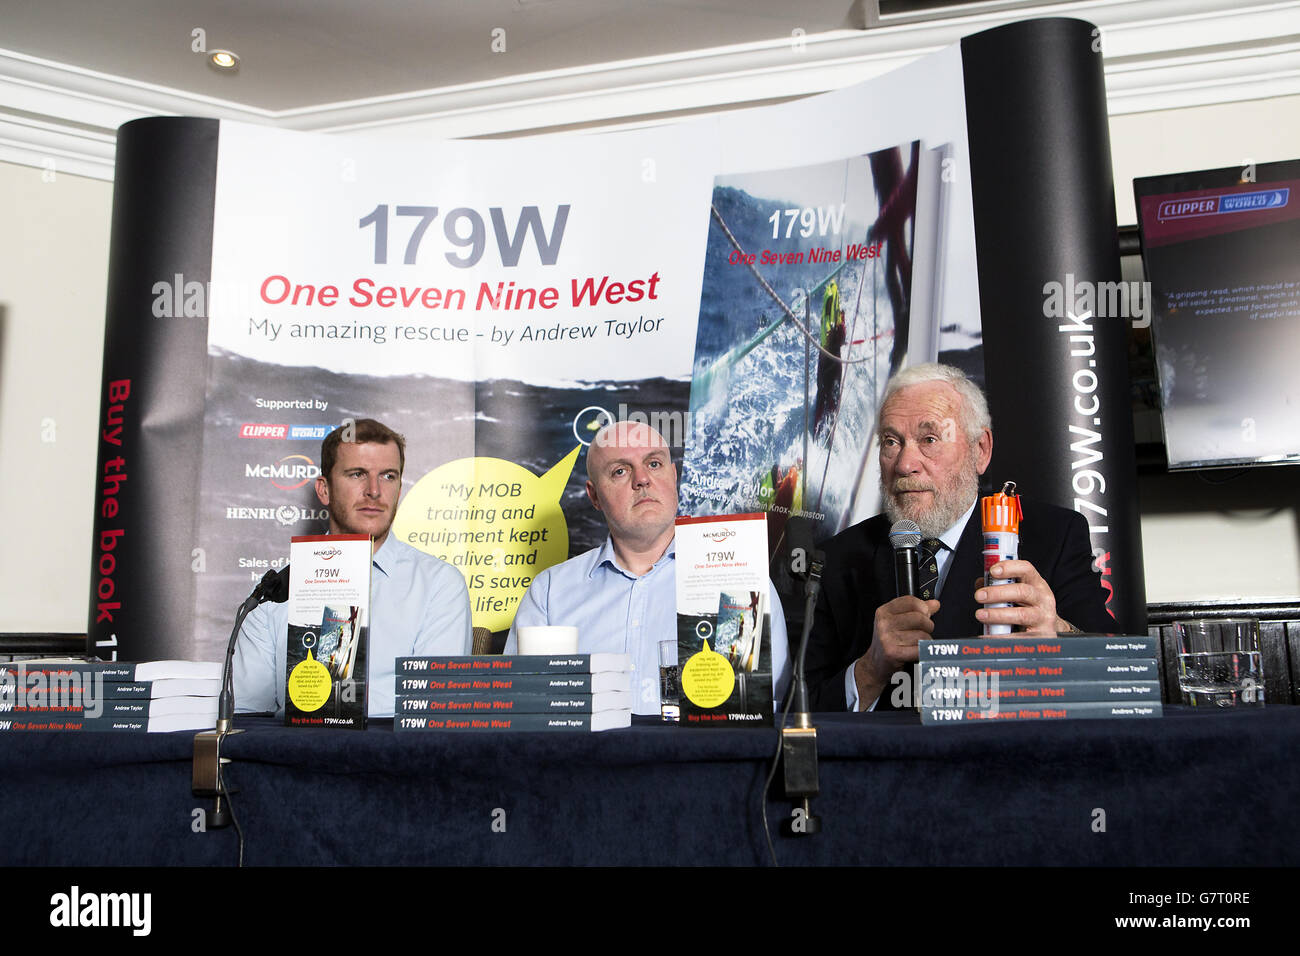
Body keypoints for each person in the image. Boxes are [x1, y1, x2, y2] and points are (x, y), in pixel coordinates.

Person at [805, 363, 1114, 712]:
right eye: (891, 442)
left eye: (929, 440)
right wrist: (870, 669)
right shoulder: (839, 559)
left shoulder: (1052, 536)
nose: (905, 464)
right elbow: (797, 712)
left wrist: (1058, 635)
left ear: (980, 450)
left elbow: (1118, 676)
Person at [505, 420, 791, 716]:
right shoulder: (550, 593)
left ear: (674, 475)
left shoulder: (736, 580)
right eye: (620, 471)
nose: (641, 479)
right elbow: (524, 712)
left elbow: (756, 713)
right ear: (594, 496)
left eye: (654, 464)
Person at [234, 418, 472, 718]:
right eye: (357, 474)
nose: (374, 491)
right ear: (324, 490)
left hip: (398, 760)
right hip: (294, 757)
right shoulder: (274, 592)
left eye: (388, 476)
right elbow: (247, 713)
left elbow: (435, 709)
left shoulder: (439, 584)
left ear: (399, 488)